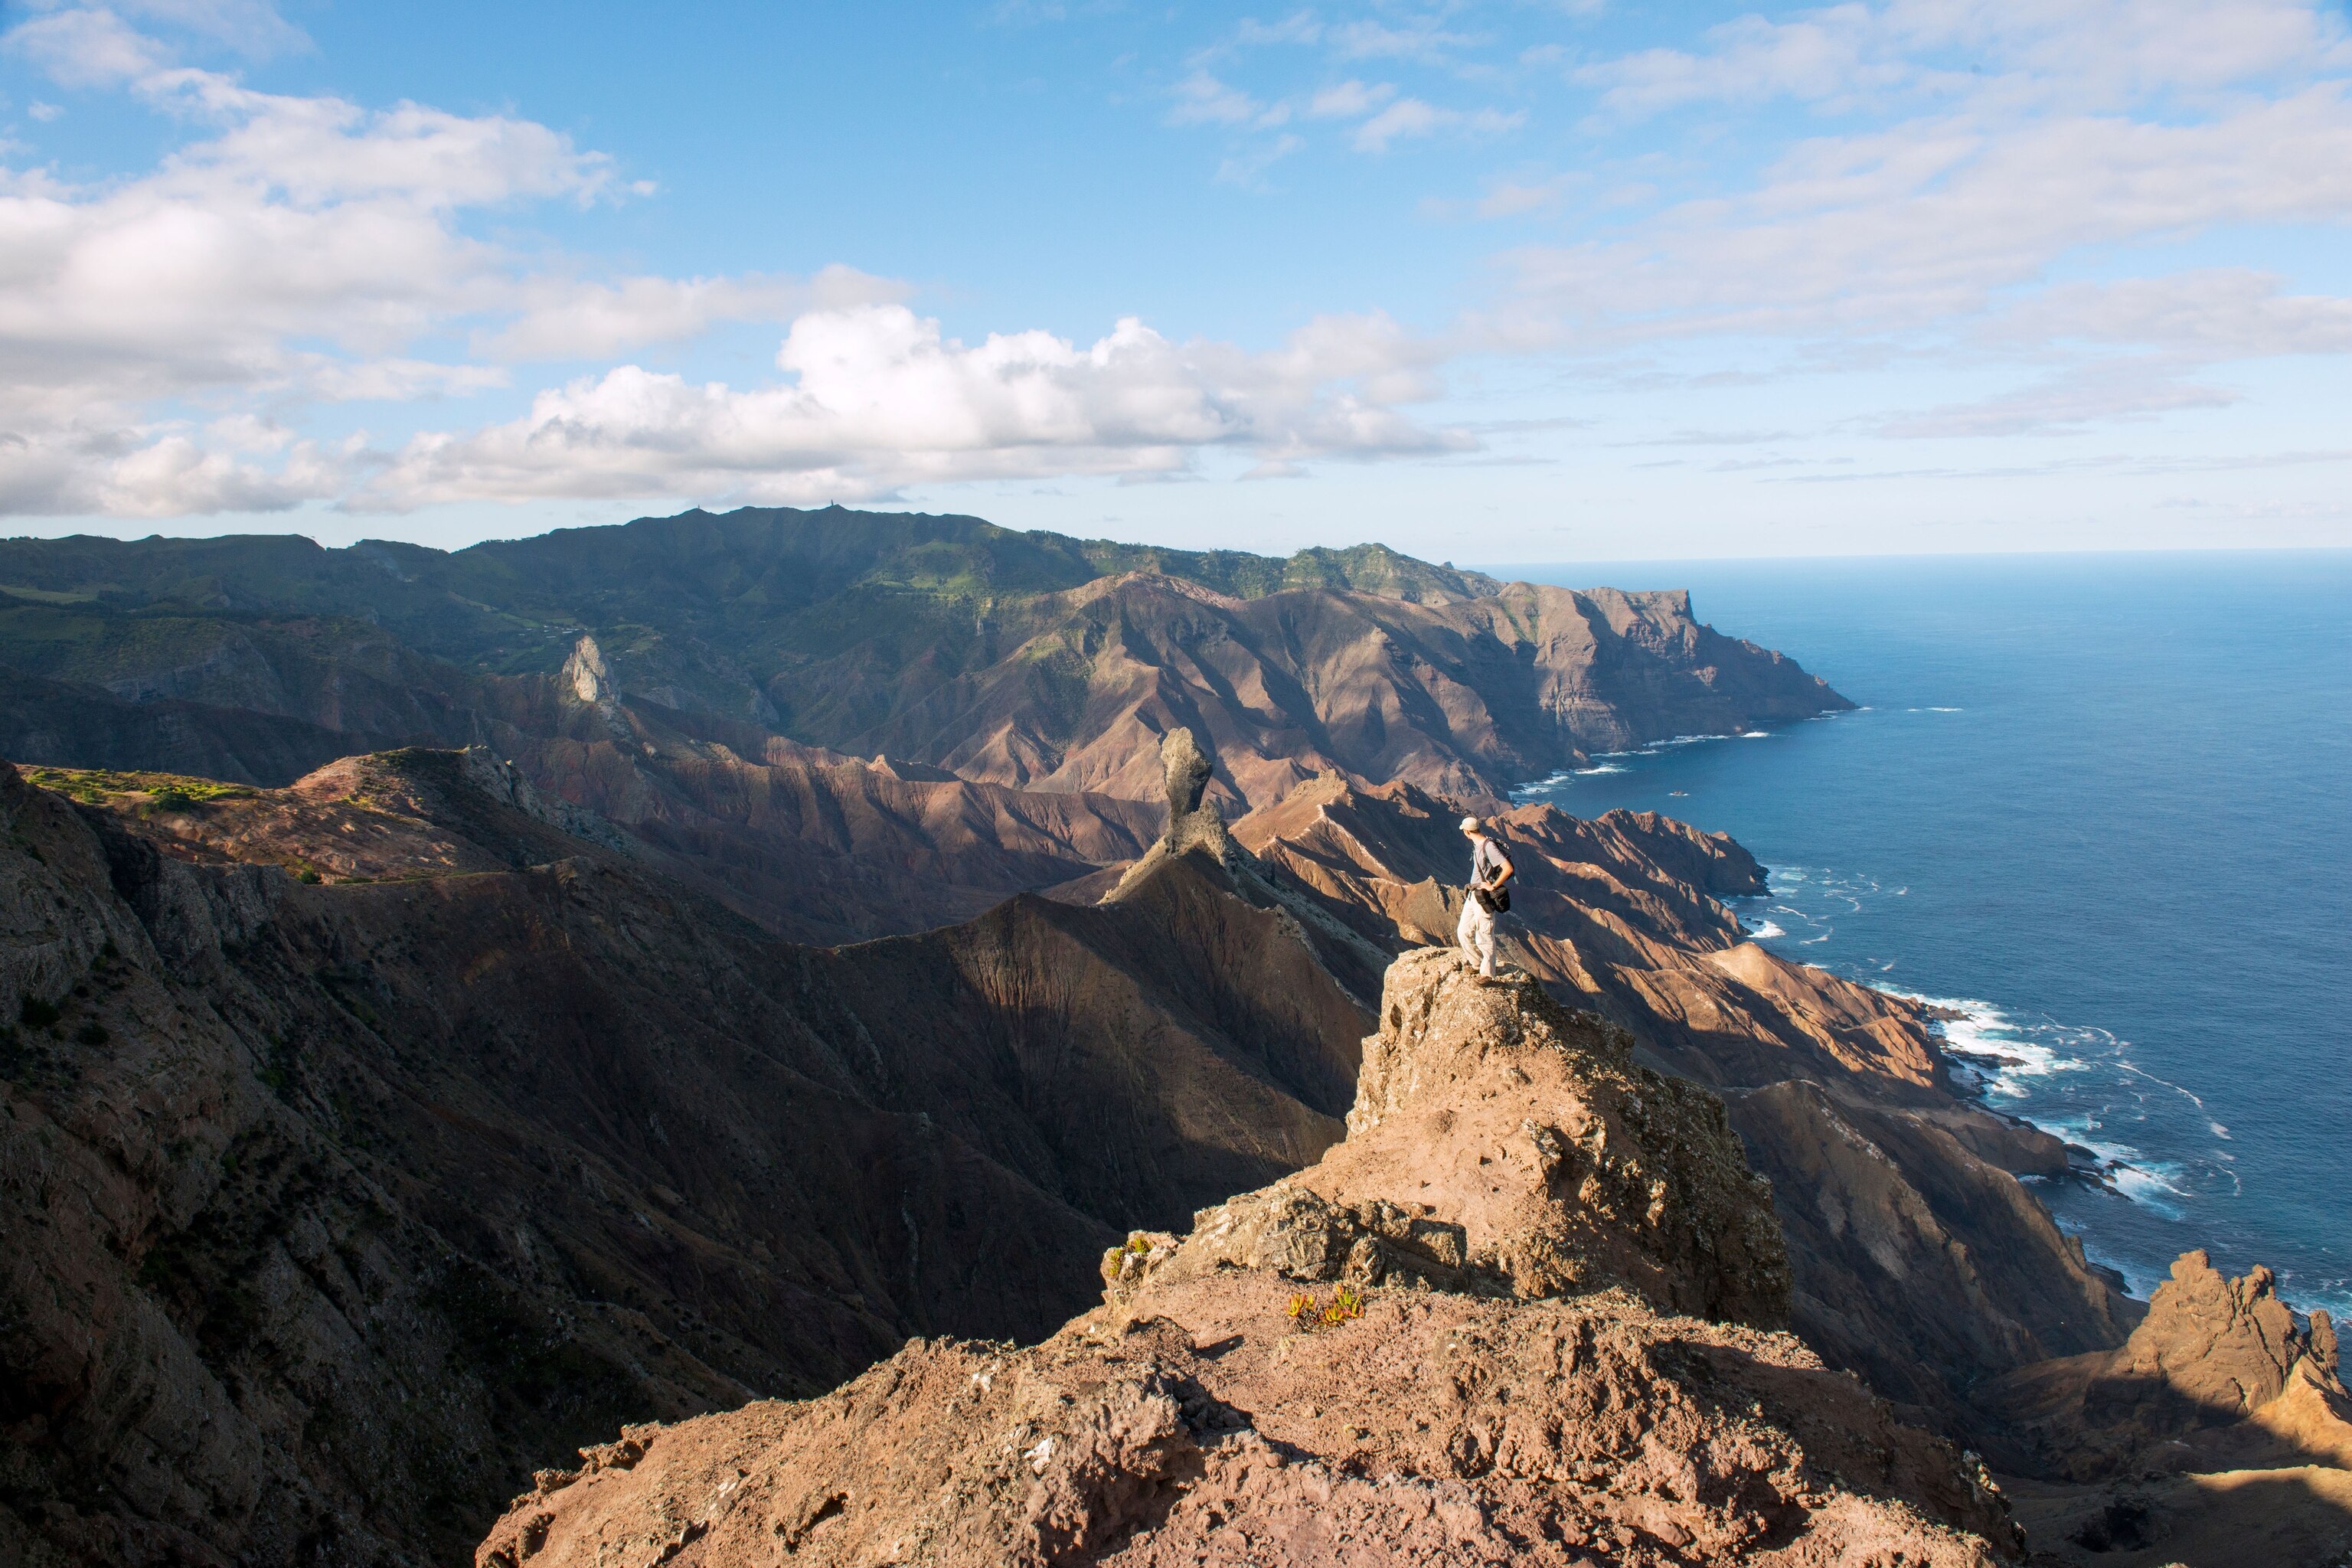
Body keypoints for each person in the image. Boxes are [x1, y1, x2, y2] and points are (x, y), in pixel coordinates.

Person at [1457, 814, 1515, 980]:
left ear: (1467, 832)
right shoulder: (1478, 845)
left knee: (1484, 935)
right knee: (1463, 931)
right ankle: (1476, 964)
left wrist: (1493, 886)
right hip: (1473, 894)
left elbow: (1508, 868)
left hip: (1484, 897)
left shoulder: (1488, 847)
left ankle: (1488, 974)